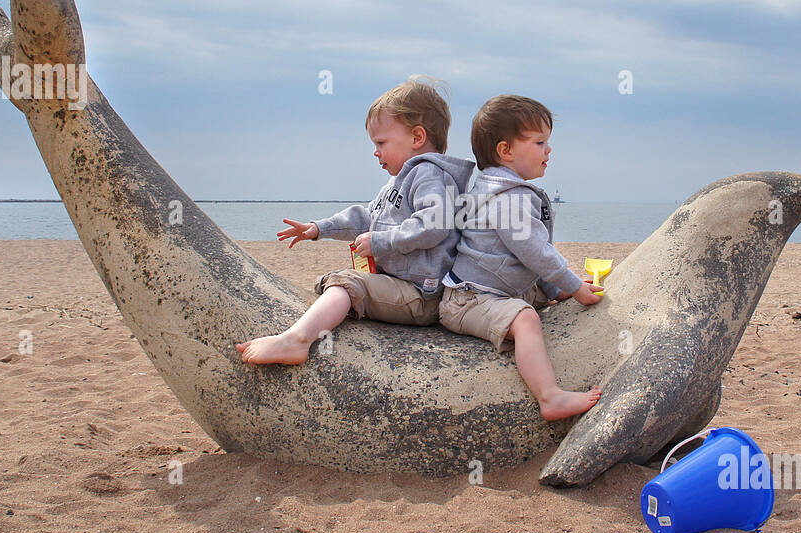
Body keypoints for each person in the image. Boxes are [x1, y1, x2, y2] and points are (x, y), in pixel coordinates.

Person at [236, 78, 474, 365]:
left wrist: (379, 241)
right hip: (400, 284)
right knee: (338, 283)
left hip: (421, 294)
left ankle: (296, 341)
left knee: (346, 284)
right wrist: (319, 228)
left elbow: (433, 225)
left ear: (417, 137)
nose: (376, 151)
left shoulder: (431, 176)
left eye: (381, 142)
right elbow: (367, 216)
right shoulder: (398, 181)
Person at [439, 95, 603, 420]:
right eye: (540, 142)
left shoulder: (501, 191)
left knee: (536, 297)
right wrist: (573, 285)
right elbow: (536, 252)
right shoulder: (507, 199)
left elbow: (526, 259)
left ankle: (551, 294)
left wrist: (557, 290)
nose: (548, 150)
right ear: (506, 151)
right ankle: (550, 397)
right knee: (525, 319)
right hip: (469, 299)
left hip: (496, 289)